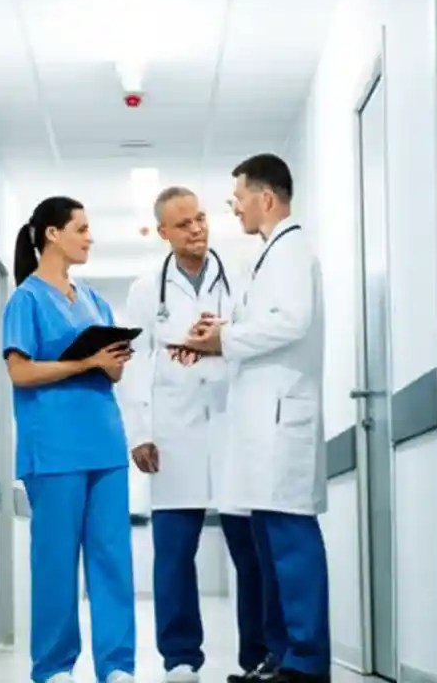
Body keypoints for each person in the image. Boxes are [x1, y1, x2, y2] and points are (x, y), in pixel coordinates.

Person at [118, 186, 284, 683]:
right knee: (173, 554)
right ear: (164, 232)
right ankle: (181, 658)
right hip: (175, 432)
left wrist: (225, 333)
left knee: (249, 552)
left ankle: (257, 654)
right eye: (184, 223)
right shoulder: (148, 289)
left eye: (201, 218)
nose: (197, 229)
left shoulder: (242, 272)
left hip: (235, 425)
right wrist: (140, 433)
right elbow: (134, 363)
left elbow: (257, 336)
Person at [183, 154, 331, 683]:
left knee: (290, 541)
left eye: (238, 197)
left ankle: (306, 663)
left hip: (281, 419)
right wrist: (223, 331)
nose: (234, 207)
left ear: (266, 198)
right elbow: (265, 322)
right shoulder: (270, 255)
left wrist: (227, 337)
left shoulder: (292, 250)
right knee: (269, 545)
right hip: (261, 423)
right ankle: (279, 656)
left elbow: (292, 320)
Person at [1, 196, 137, 683]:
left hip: (104, 443)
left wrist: (114, 363)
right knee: (56, 563)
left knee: (112, 559)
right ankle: (55, 666)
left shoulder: (95, 300)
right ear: (53, 234)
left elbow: (111, 375)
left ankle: (117, 665)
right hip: (54, 449)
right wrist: (85, 363)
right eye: (81, 228)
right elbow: (19, 371)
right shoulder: (26, 299)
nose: (89, 237)